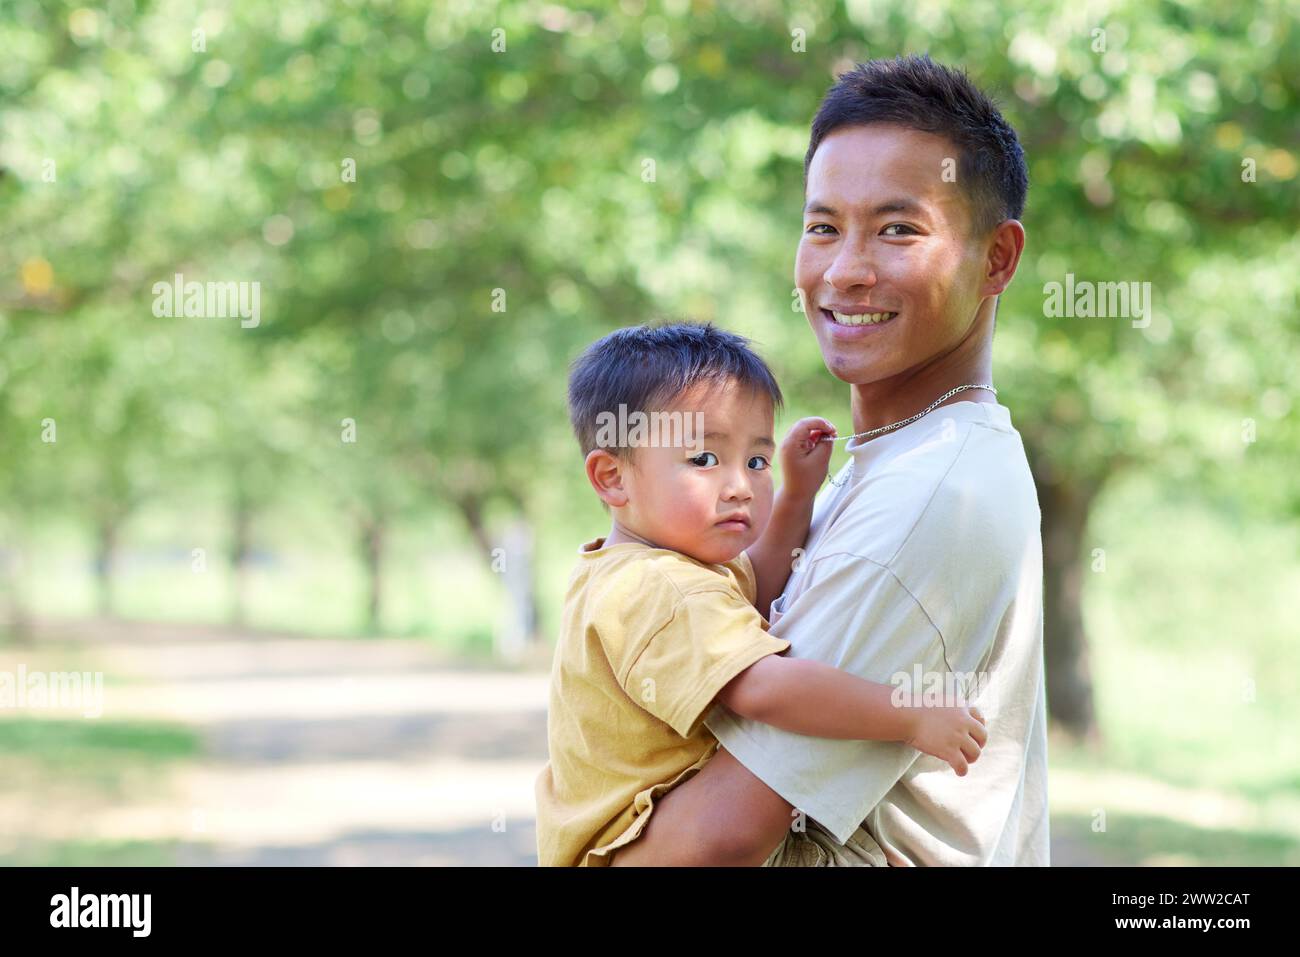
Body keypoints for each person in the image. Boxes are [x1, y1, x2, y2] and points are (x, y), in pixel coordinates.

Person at [611, 54, 1048, 867]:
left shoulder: (928, 496)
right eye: (823, 227)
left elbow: (714, 838)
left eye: (898, 229)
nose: (845, 271)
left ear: (997, 258)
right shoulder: (886, 468)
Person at [533, 322, 987, 867]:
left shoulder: (651, 568)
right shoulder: (658, 588)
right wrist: (908, 715)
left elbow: (759, 584)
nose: (740, 486)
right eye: (703, 460)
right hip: (633, 847)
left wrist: (796, 495)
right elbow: (761, 687)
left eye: (756, 461)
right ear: (613, 477)